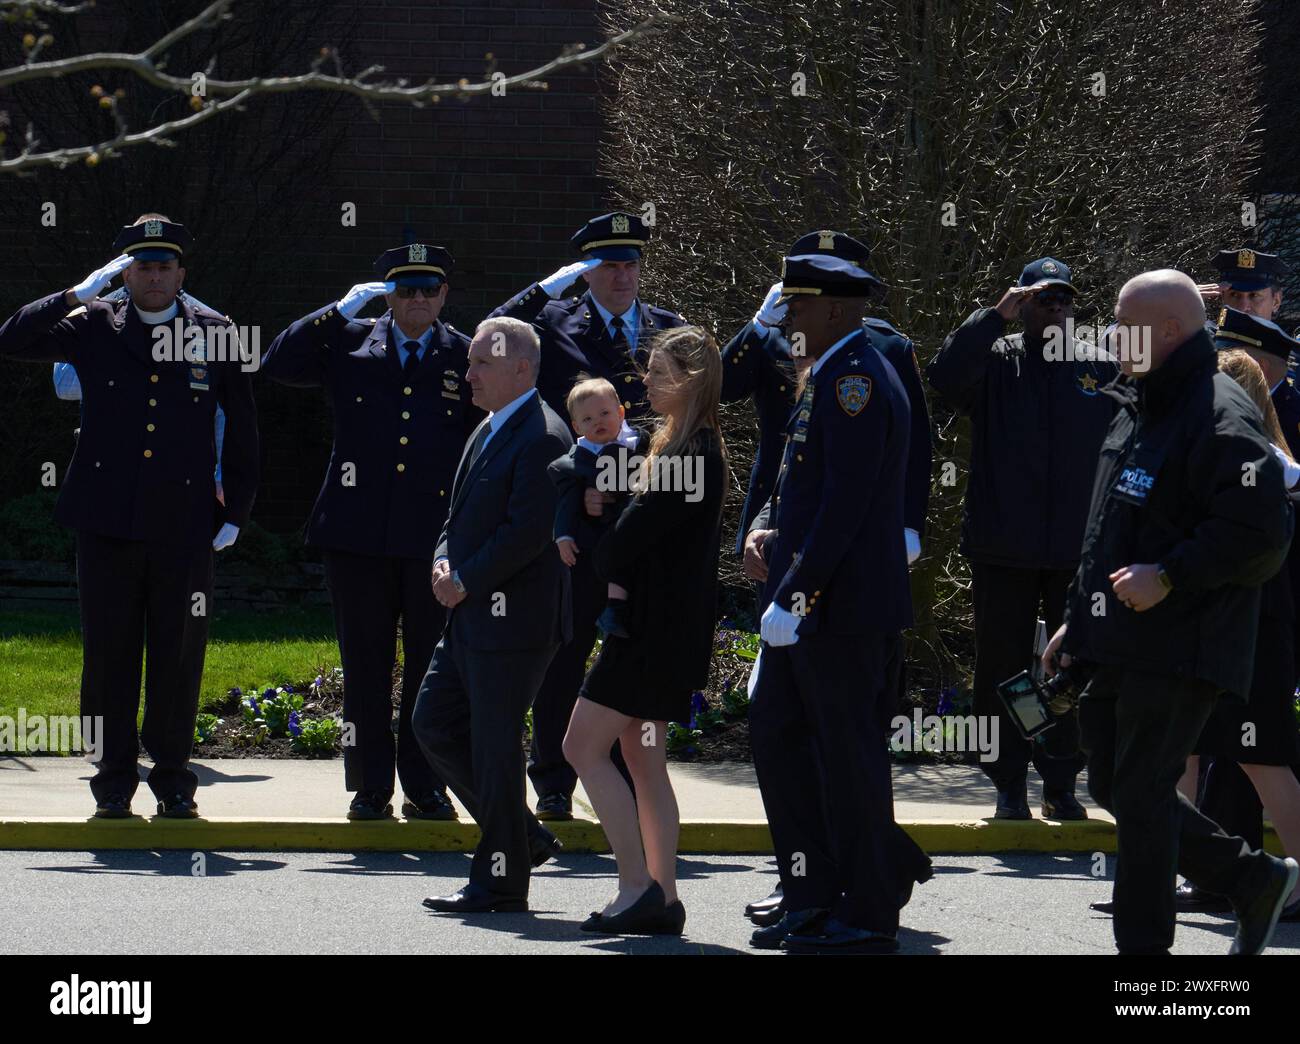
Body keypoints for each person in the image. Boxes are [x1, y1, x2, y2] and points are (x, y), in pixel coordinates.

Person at [1043, 269, 1299, 955]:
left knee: (1145, 792)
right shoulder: (1140, 404)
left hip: (1182, 640)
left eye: (1123, 323)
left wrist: (1173, 576)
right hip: (1121, 637)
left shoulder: (1218, 410)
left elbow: (1261, 531)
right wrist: (1079, 621)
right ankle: (1250, 881)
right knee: (1116, 781)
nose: (1109, 336)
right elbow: (1110, 533)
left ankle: (1146, 961)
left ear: (1166, 331)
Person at [0, 214, 259, 818]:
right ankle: (113, 779)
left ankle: (172, 778)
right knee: (109, 652)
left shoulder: (215, 332)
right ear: (125, 273)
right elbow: (10, 341)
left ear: (181, 274)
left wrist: (236, 513)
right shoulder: (92, 323)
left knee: (178, 651)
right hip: (106, 518)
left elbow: (244, 427)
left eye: (164, 265)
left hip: (186, 521)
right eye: (141, 266)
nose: (153, 276)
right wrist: (75, 293)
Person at [731, 232, 934, 928]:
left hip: (842, 607)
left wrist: (795, 590)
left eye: (798, 303)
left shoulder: (857, 379)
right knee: (777, 734)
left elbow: (847, 503)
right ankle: (812, 884)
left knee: (846, 757)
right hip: (816, 598)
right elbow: (805, 487)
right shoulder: (829, 367)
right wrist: (772, 533)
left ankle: (870, 904)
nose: (787, 316)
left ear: (839, 310)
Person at [262, 244, 479, 821]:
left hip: (434, 537)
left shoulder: (464, 355)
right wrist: (337, 309)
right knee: (365, 665)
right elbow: (279, 363)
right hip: (356, 534)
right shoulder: (349, 341)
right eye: (404, 289)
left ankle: (426, 783)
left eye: (428, 289)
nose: (416, 300)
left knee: (430, 667)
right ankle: (369, 784)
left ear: (443, 295)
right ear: (386, 293)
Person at [488, 211, 687, 821]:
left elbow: (679, 426)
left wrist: (621, 488)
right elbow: (492, 337)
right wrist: (548, 286)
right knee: (564, 647)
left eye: (630, 262)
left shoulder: (668, 328)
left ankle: (626, 776)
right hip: (574, 520)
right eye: (607, 264)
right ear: (587, 270)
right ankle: (552, 776)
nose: (622, 274)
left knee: (635, 647)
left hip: (645, 517)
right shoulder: (552, 324)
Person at [927, 257, 1117, 821]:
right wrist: (992, 317)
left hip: (1073, 553)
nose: (1054, 308)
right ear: (1023, 303)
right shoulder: (996, 362)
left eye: (1063, 299)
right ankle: (1007, 778)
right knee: (1003, 670)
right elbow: (943, 378)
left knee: (1068, 669)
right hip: (1002, 547)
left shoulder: (1100, 367)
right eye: (1041, 298)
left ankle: (1059, 778)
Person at [561, 326, 727, 935]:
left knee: (580, 747)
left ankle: (636, 887)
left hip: (647, 635)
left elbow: (622, 548)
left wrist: (600, 518)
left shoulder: (686, 456)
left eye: (659, 372)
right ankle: (663, 895)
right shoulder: (692, 447)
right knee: (642, 756)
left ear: (688, 380)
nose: (648, 381)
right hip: (667, 631)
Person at [414, 316, 572, 914]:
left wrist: (465, 579)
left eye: (482, 363)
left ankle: (501, 879)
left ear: (522, 369)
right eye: (472, 360)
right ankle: (522, 836)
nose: (468, 371)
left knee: (495, 747)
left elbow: (526, 533)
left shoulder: (543, 436)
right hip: (471, 617)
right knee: (434, 724)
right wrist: (442, 559)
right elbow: (459, 517)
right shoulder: (488, 428)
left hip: (513, 625)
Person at [1182, 248, 1298, 907]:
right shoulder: (1231, 430)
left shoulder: (1254, 441)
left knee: (1258, 753)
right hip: (1234, 614)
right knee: (1206, 750)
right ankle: (1203, 865)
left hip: (1260, 611)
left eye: (1253, 297)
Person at [547, 376, 647, 638]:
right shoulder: (578, 459)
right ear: (576, 426)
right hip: (593, 548)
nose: (598, 422)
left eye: (604, 413)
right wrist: (564, 535)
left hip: (632, 538)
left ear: (621, 412)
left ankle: (617, 609)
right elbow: (567, 501)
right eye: (587, 419)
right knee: (581, 618)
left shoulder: (640, 445)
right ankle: (609, 613)